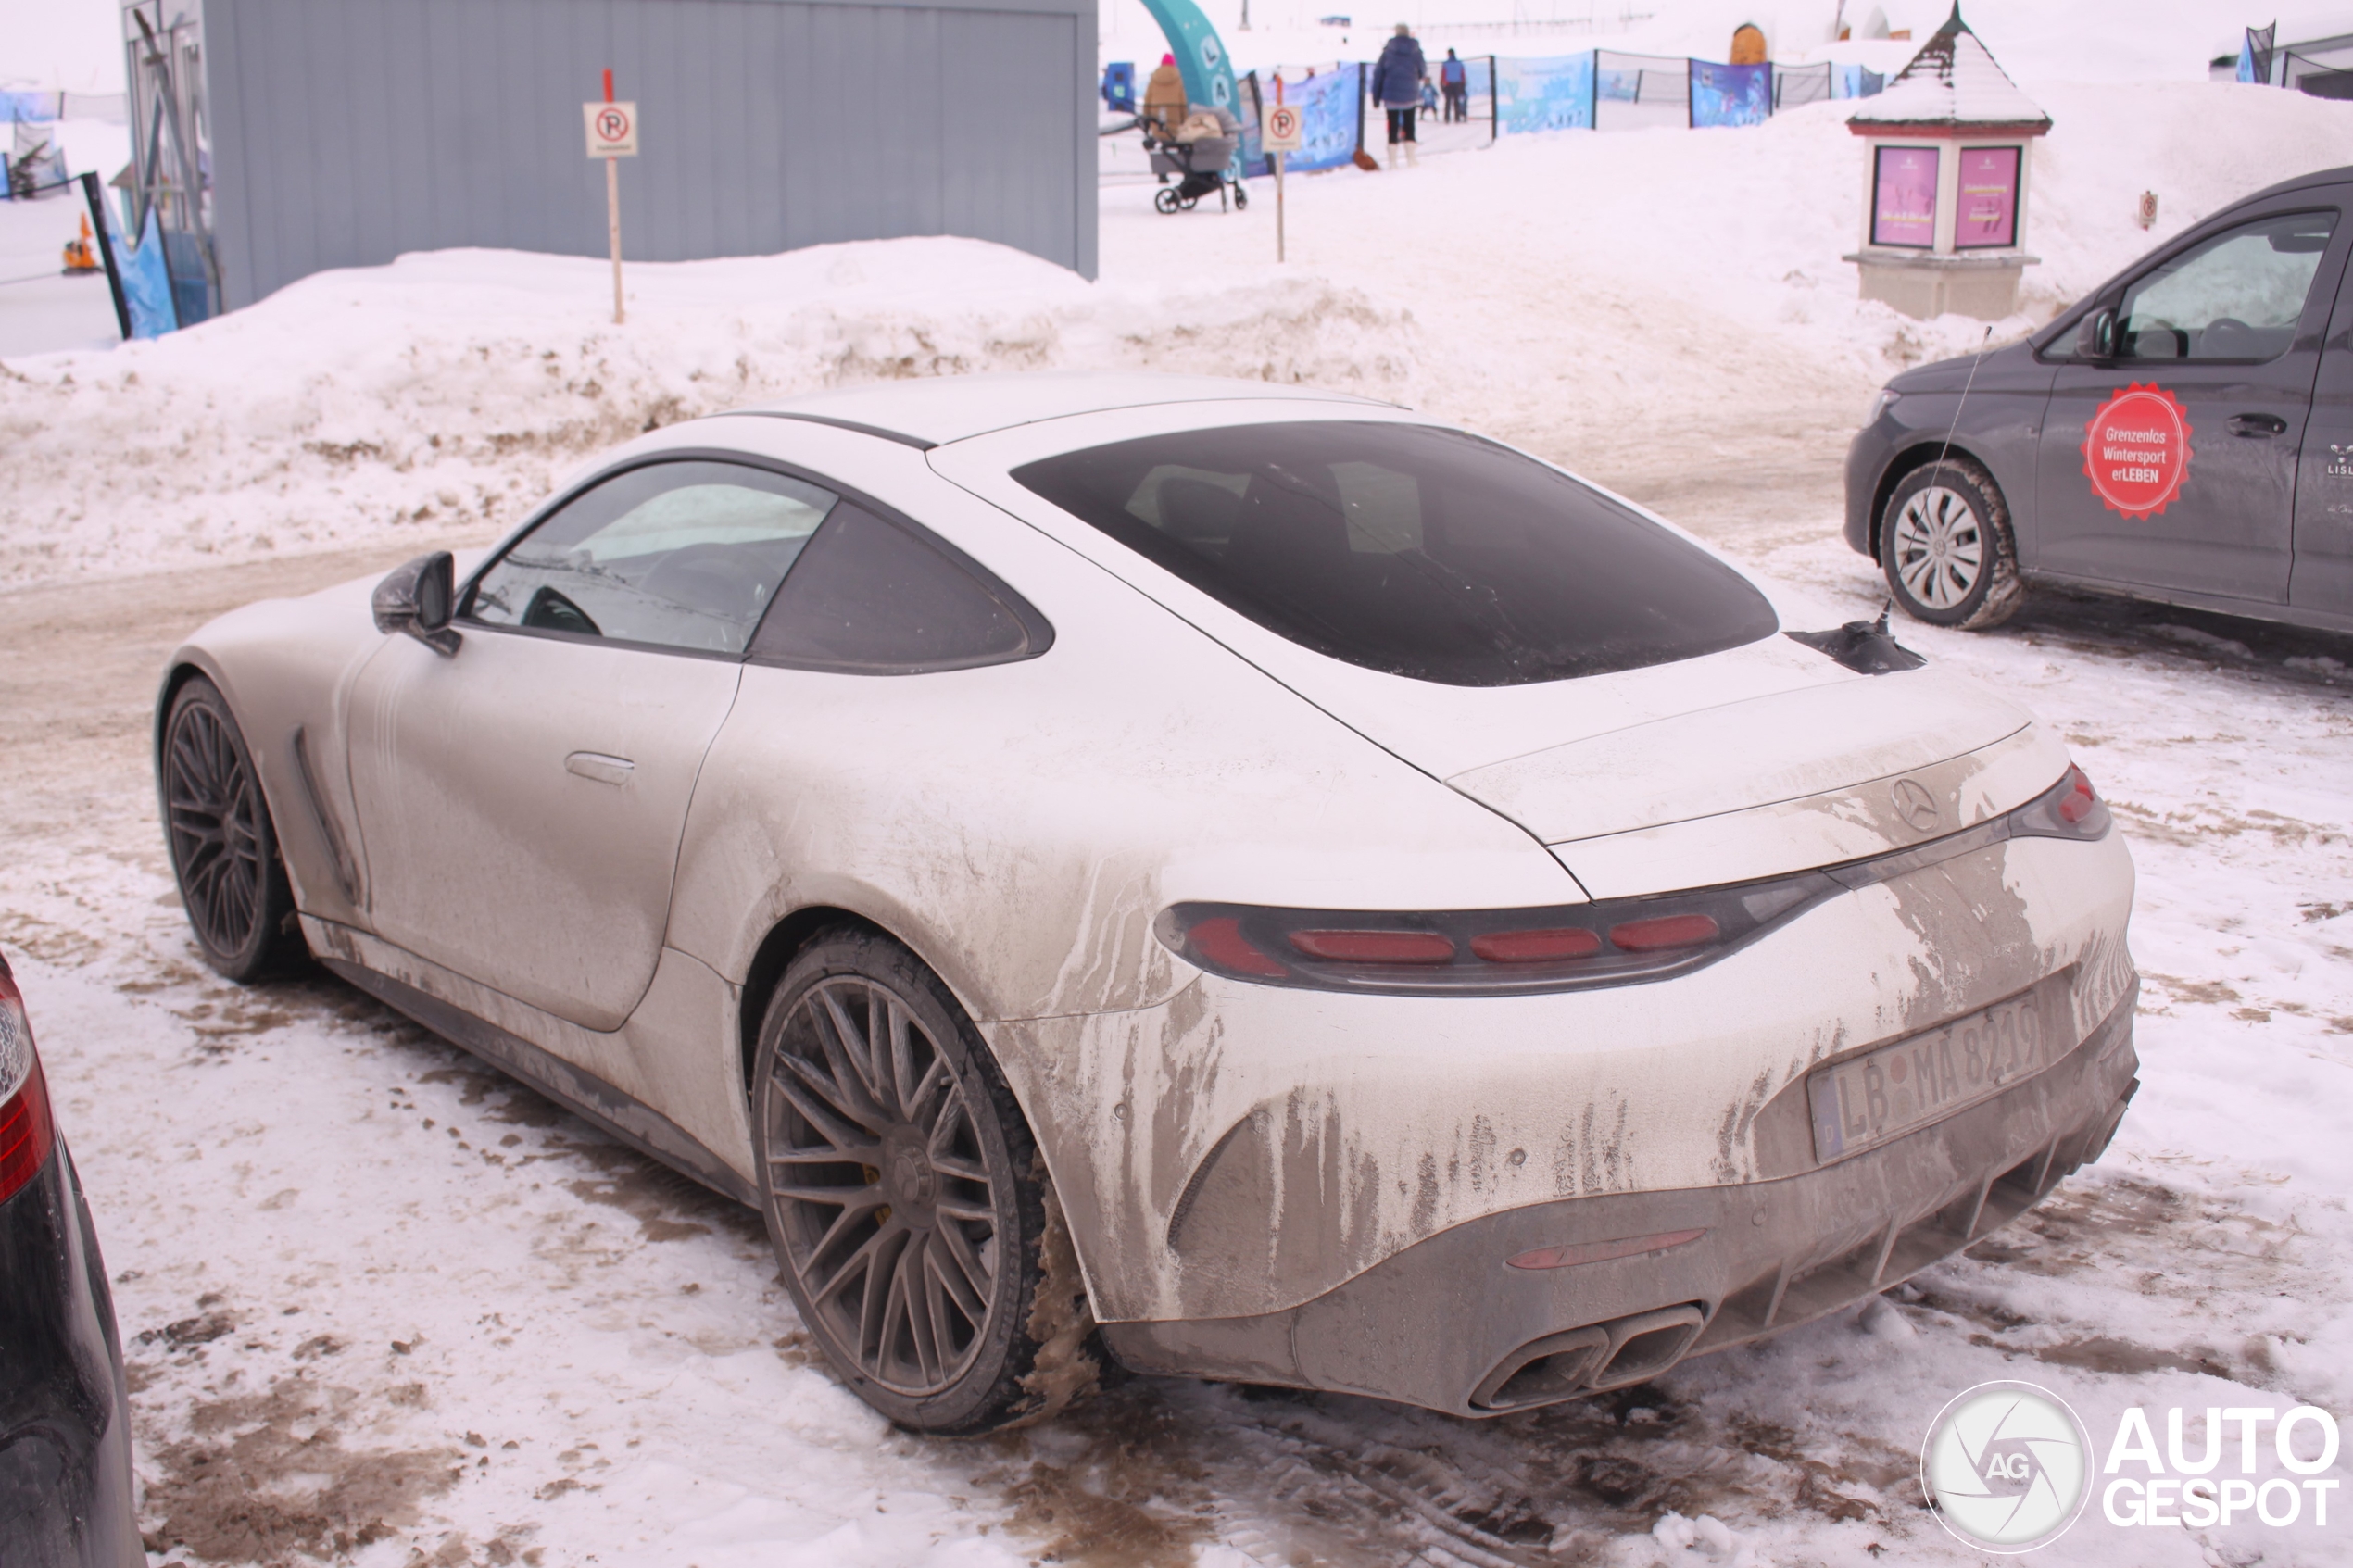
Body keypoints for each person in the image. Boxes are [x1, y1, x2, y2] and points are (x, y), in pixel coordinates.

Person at [1368, 23, 1427, 168]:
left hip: (1391, 95)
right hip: (1410, 94)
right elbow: (1423, 71)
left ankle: (1392, 162)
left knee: (1392, 126)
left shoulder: (1387, 52)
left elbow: (1378, 75)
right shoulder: (1416, 51)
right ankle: (1411, 159)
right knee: (1410, 125)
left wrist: (1376, 97)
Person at [1143, 52, 1187, 141]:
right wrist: (1184, 122)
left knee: (1158, 137)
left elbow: (1147, 101)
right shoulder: (1179, 79)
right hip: (1174, 121)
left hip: (1156, 120)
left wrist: (1146, 121)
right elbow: (1183, 103)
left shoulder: (1154, 78)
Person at [1441, 48, 1468, 122]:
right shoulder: (1459, 63)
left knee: (1448, 102)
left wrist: (1443, 84)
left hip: (1448, 84)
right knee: (1457, 102)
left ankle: (1447, 118)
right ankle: (1457, 118)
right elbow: (1463, 74)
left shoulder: (1446, 63)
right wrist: (1463, 84)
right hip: (1457, 84)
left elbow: (1443, 74)